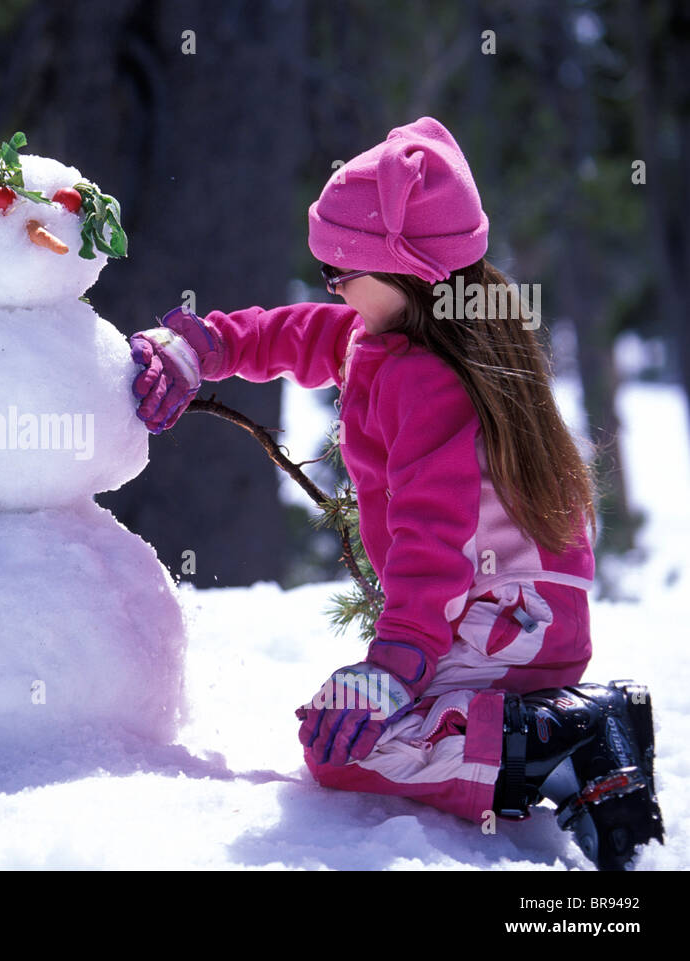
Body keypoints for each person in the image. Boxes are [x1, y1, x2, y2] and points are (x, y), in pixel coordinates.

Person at [129, 116, 663, 870]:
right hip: (516, 614)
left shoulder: (427, 379)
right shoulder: (413, 331)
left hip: (505, 620)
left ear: (409, 275)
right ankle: (546, 734)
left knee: (342, 747)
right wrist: (208, 345)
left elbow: (433, 540)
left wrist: (395, 666)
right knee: (346, 729)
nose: (334, 289)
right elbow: (297, 335)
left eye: (341, 273)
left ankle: (559, 743)